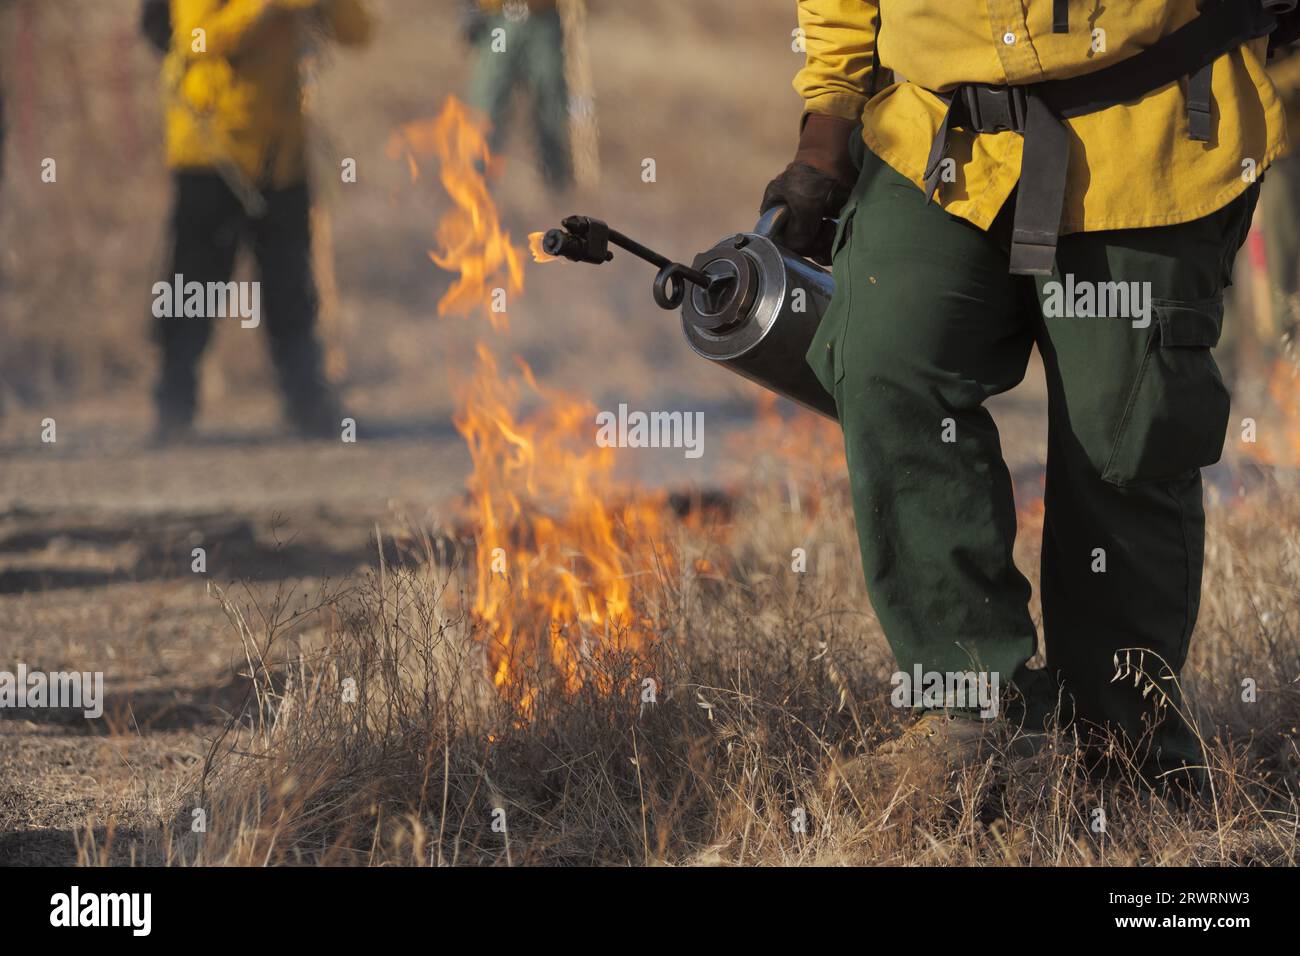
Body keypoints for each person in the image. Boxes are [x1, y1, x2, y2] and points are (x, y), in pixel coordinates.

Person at [764, 0, 1291, 795]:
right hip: (938, 139)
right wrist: (825, 130)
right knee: (885, 359)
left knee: (1126, 432)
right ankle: (968, 712)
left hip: (1151, 127)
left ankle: (1126, 748)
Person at [154, 0, 371, 441]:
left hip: (281, 155)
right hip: (211, 150)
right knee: (194, 286)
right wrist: (266, 6)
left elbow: (358, 33)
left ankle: (307, 406)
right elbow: (197, 38)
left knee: (291, 288)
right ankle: (173, 410)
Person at [463, 0, 573, 190]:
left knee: (551, 106)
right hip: (500, 21)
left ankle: (558, 189)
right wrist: (468, 11)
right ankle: (475, 187)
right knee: (486, 106)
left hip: (543, 19)